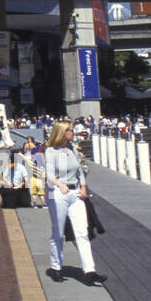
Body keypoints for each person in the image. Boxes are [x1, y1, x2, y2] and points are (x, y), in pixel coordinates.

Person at [44, 120, 107, 286]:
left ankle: (89, 271)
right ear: (62, 133)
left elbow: (79, 170)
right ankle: (56, 266)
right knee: (58, 232)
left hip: (75, 193)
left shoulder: (72, 149)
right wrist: (60, 185)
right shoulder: (51, 151)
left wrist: (83, 187)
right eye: (69, 130)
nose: (72, 133)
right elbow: (49, 174)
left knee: (82, 232)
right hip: (58, 193)